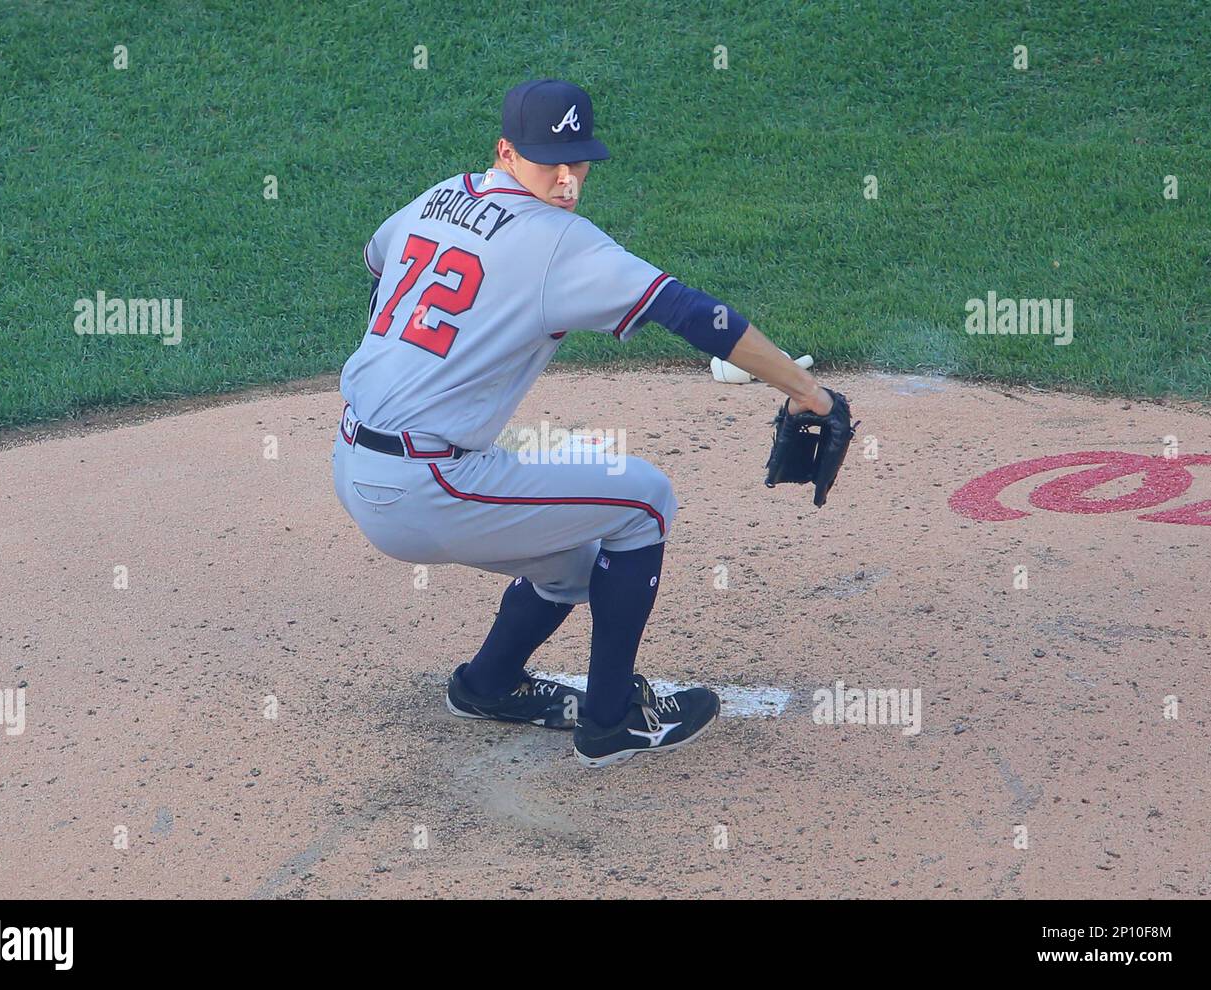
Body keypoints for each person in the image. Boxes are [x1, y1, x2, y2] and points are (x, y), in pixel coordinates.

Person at [333, 79, 836, 768]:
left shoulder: (440, 195)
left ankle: (488, 685)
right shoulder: (558, 239)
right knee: (643, 499)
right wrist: (807, 390)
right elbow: (692, 313)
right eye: (550, 162)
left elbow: (377, 258)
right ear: (507, 152)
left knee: (574, 563)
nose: (567, 180)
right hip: (431, 486)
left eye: (579, 162)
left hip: (357, 460)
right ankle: (611, 725)